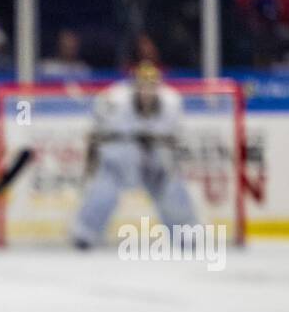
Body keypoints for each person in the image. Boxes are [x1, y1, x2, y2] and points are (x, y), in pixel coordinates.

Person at [71, 62, 197, 249]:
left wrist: (169, 159)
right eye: (143, 86)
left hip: (156, 160)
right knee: (102, 191)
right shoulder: (114, 100)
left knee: (172, 190)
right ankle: (85, 234)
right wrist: (92, 164)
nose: (147, 92)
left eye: (151, 86)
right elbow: (96, 135)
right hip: (121, 158)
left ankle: (186, 235)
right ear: (135, 86)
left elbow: (177, 140)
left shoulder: (172, 102)